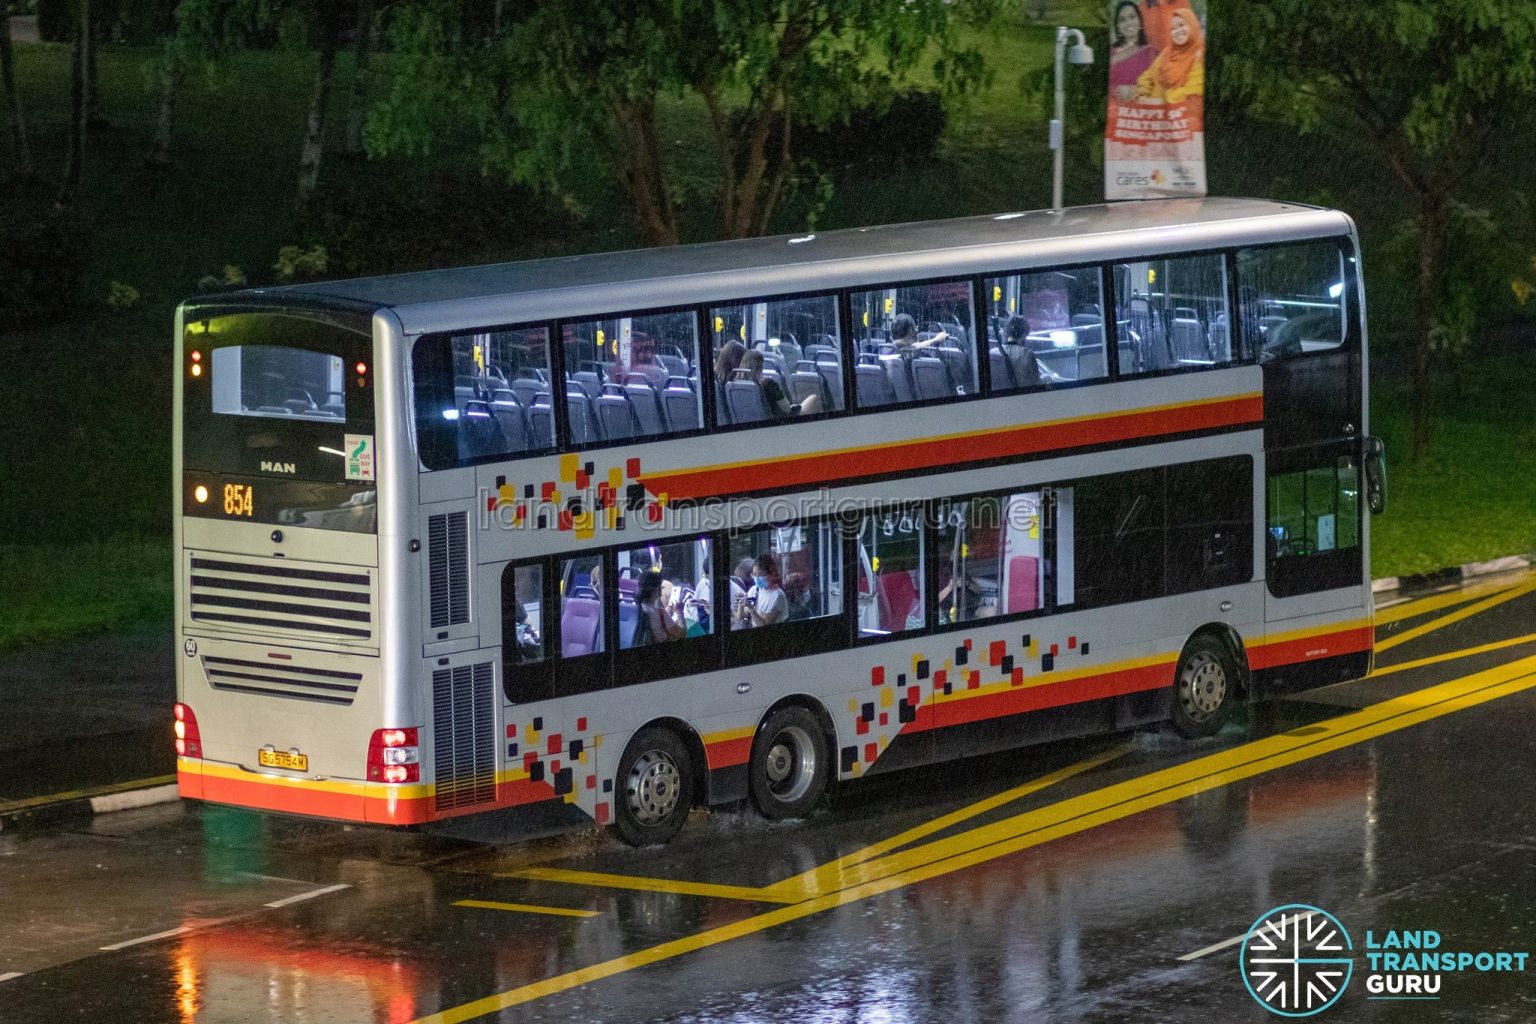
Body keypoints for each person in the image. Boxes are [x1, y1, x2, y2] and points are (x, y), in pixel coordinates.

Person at [1137, 4, 1204, 105]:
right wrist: (1143, 95)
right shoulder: (1166, 52)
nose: (1178, 31)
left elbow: (1193, 92)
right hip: (1152, 114)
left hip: (1179, 116)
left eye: (1181, 25)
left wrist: (1161, 101)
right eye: (1173, 28)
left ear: (1192, 25)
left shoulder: (1199, 55)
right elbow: (1147, 77)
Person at [743, 348, 822, 417]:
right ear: (761, 367)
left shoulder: (735, 383)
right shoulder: (769, 384)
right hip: (780, 420)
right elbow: (787, 408)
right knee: (814, 398)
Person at [1108, 1, 1155, 102]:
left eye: (1132, 17)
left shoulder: (1153, 53)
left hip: (1141, 112)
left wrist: (1136, 93)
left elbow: (1159, 88)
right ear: (1118, 27)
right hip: (1115, 111)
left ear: (1140, 21)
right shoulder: (1108, 53)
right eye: (1122, 20)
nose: (1128, 23)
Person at [631, 571, 687, 646]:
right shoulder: (659, 613)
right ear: (656, 590)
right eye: (661, 586)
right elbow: (681, 633)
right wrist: (680, 612)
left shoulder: (633, 607)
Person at [733, 553, 788, 628]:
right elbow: (741, 617)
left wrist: (751, 609)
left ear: (772, 573)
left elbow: (764, 624)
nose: (757, 578)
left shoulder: (778, 595)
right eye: (754, 574)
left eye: (761, 575)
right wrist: (741, 604)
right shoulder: (754, 589)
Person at [999, 314, 1038, 388]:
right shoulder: (1027, 354)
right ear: (1024, 334)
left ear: (1006, 331)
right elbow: (1035, 382)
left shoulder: (995, 351)